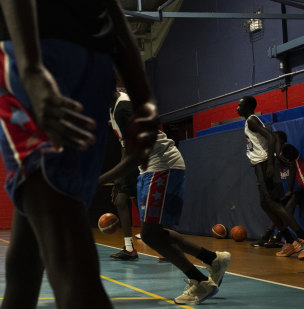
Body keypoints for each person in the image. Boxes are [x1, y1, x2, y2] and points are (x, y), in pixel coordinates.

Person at [0, 0, 159, 308]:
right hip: (93, 64)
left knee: (70, 259)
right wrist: (143, 97)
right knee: (30, 250)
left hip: (29, 50)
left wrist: (32, 69)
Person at [99, 130, 231, 305]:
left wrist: (100, 179)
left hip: (160, 166)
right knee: (154, 232)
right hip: (150, 168)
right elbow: (129, 150)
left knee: (149, 234)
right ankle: (212, 259)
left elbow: (132, 156)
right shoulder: (117, 111)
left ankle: (200, 281)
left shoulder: (124, 107)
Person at [237, 96, 304, 257]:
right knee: (265, 204)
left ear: (248, 107)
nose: (237, 108)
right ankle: (291, 242)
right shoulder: (250, 122)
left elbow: (272, 137)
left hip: (263, 164)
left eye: (240, 105)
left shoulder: (252, 120)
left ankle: (301, 238)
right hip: (259, 164)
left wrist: (269, 163)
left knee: (272, 203)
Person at [105, 89, 140, 260]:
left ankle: (163, 242)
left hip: (142, 153)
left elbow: (132, 143)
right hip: (130, 151)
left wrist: (117, 178)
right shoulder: (113, 106)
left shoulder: (122, 109)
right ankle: (129, 248)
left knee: (140, 199)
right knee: (122, 199)